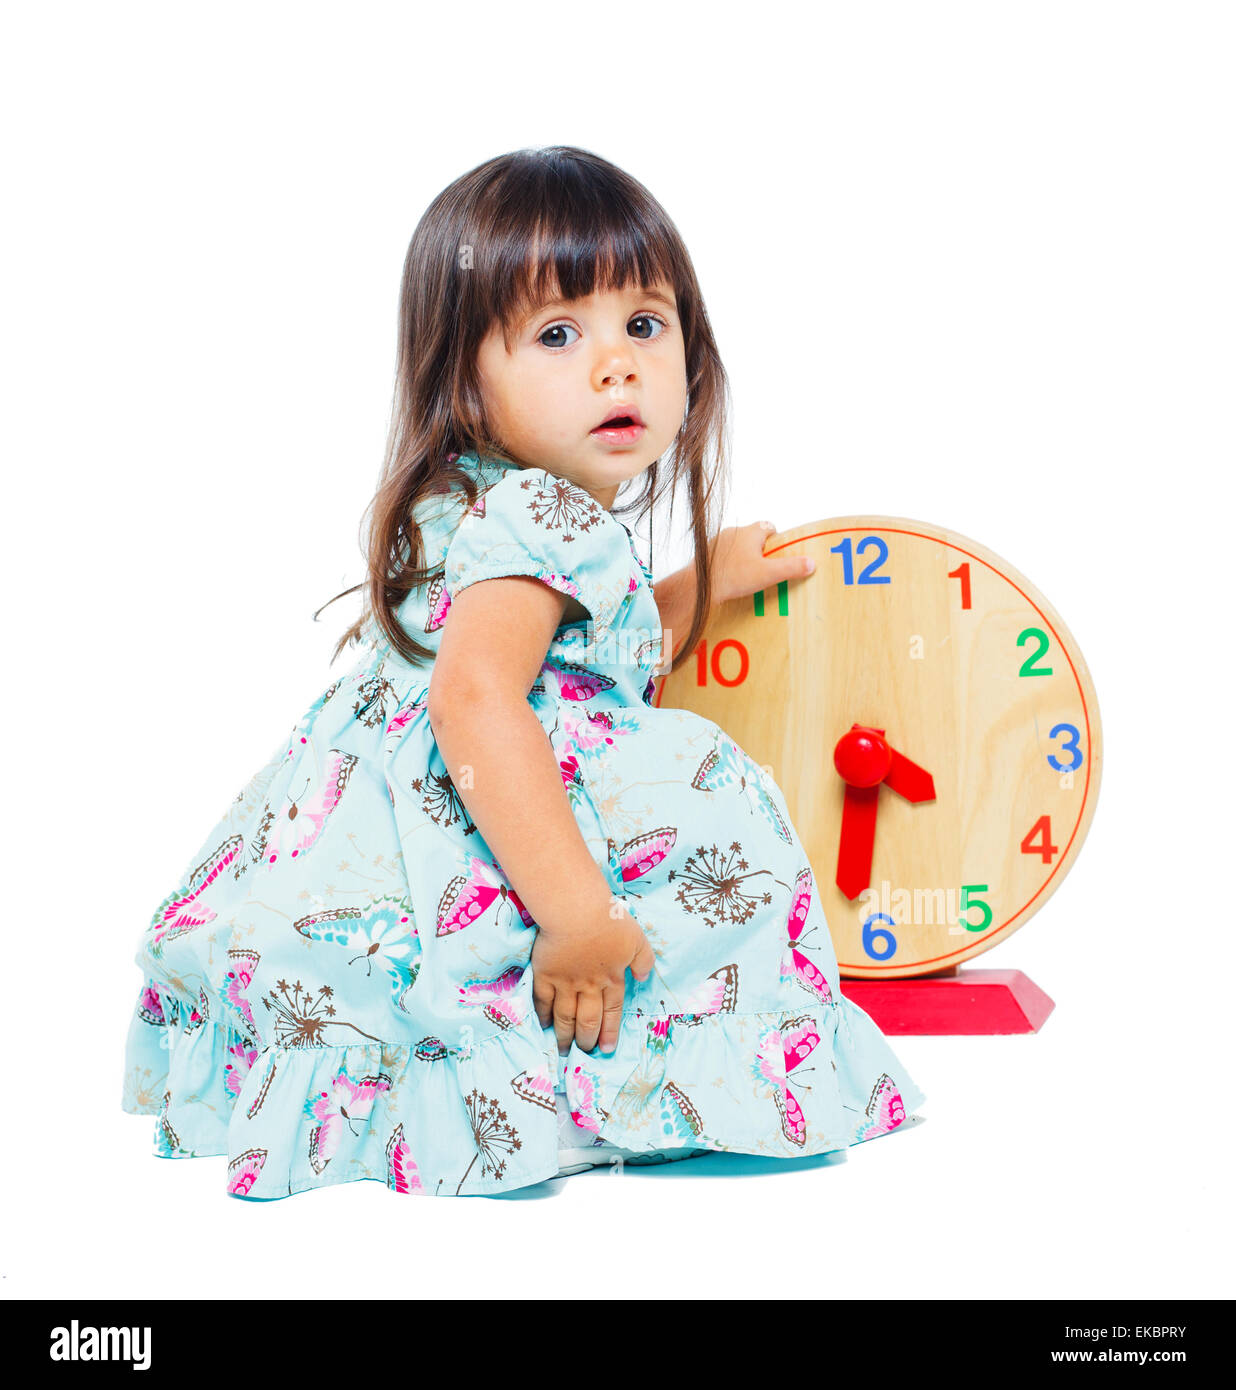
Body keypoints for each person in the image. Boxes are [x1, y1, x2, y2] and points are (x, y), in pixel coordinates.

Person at [122, 145, 925, 1200]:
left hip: (397, 808)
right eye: (558, 334)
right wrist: (575, 913)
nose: (616, 364)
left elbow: (574, 651)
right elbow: (479, 699)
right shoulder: (540, 511)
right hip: (495, 799)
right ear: (465, 376)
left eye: (645, 323)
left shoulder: (489, 499)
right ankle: (633, 1080)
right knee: (716, 862)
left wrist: (692, 585)